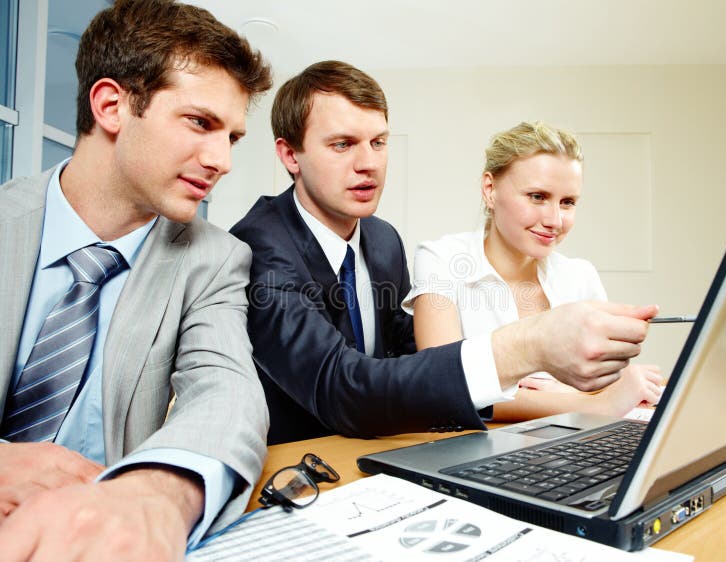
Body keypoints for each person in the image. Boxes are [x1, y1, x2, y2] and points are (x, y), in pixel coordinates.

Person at [231, 60, 657, 445]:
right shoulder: (259, 244)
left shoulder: (382, 240)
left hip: (390, 446)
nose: (369, 164)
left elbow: (412, 355)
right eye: (342, 144)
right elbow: (341, 387)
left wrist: (531, 393)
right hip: (299, 463)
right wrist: (527, 349)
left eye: (378, 142)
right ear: (290, 155)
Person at [0, 1, 272, 559]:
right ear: (111, 106)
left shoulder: (214, 258)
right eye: (200, 122)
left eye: (233, 138)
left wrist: (154, 495)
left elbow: (228, 391)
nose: (221, 160)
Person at [403, 122, 663, 422]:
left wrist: (566, 395)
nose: (554, 220)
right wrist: (589, 403)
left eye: (567, 202)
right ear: (490, 190)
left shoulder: (580, 276)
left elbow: (607, 382)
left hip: (568, 445)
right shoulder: (441, 259)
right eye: (537, 196)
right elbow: (444, 387)